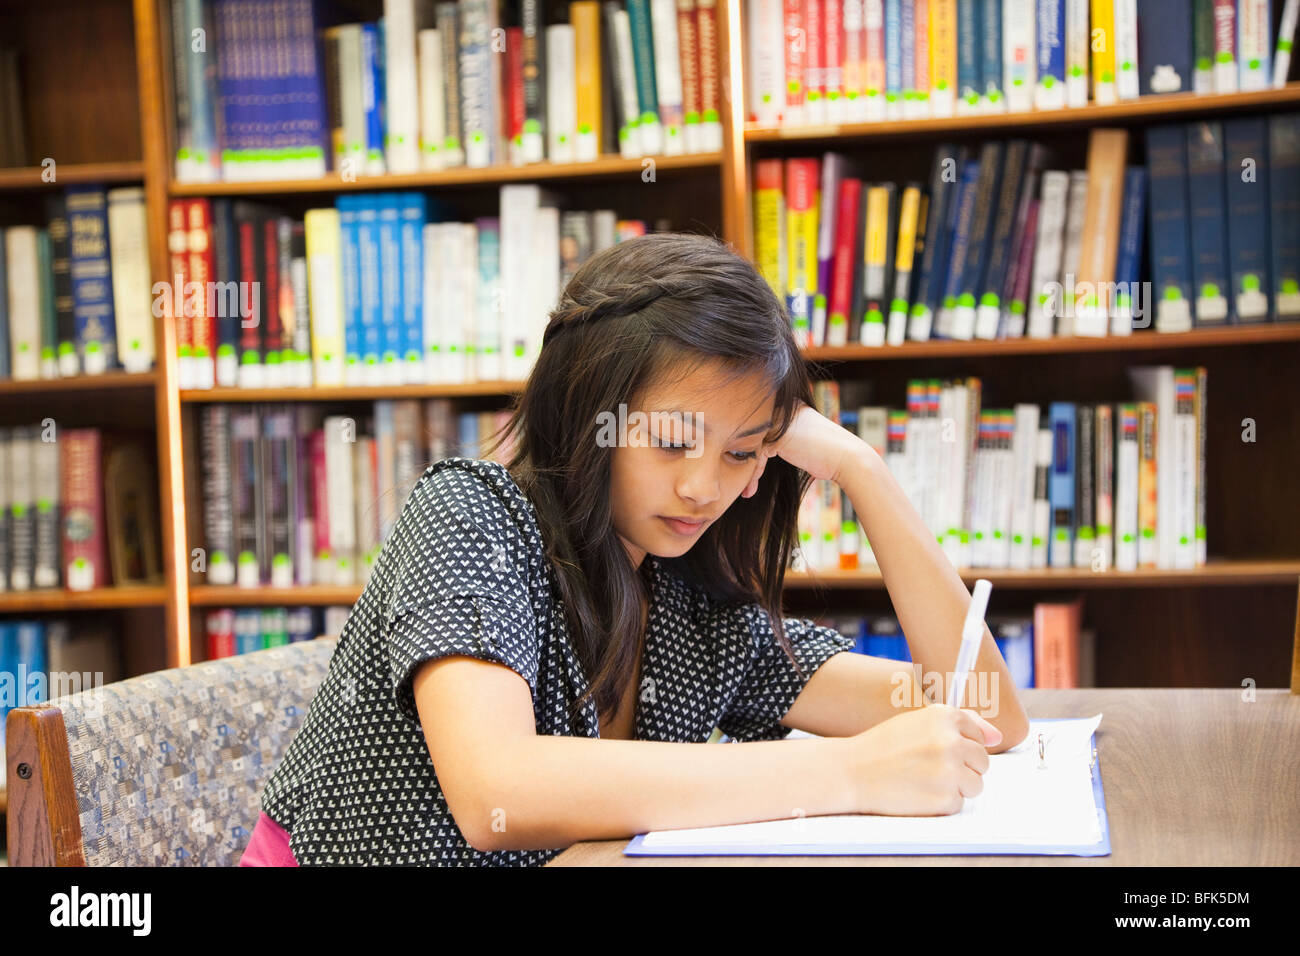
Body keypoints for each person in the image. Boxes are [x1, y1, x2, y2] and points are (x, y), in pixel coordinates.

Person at [238, 231, 1030, 867]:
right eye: (675, 441)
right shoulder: (471, 514)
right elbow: (495, 791)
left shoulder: (694, 595)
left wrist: (865, 472)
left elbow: (986, 711)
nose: (702, 488)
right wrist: (850, 773)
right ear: (590, 413)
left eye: (743, 453)